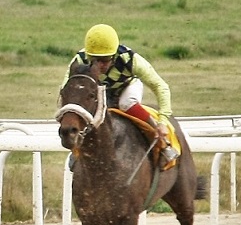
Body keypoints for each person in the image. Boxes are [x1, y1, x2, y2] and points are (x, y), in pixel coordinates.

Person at [67, 23, 177, 160]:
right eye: (95, 60)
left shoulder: (130, 59)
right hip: (99, 89)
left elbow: (160, 86)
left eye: (105, 60)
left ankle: (161, 139)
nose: (100, 65)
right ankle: (78, 151)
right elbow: (67, 89)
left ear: (114, 56)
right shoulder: (80, 60)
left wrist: (163, 121)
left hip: (127, 86)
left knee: (126, 103)